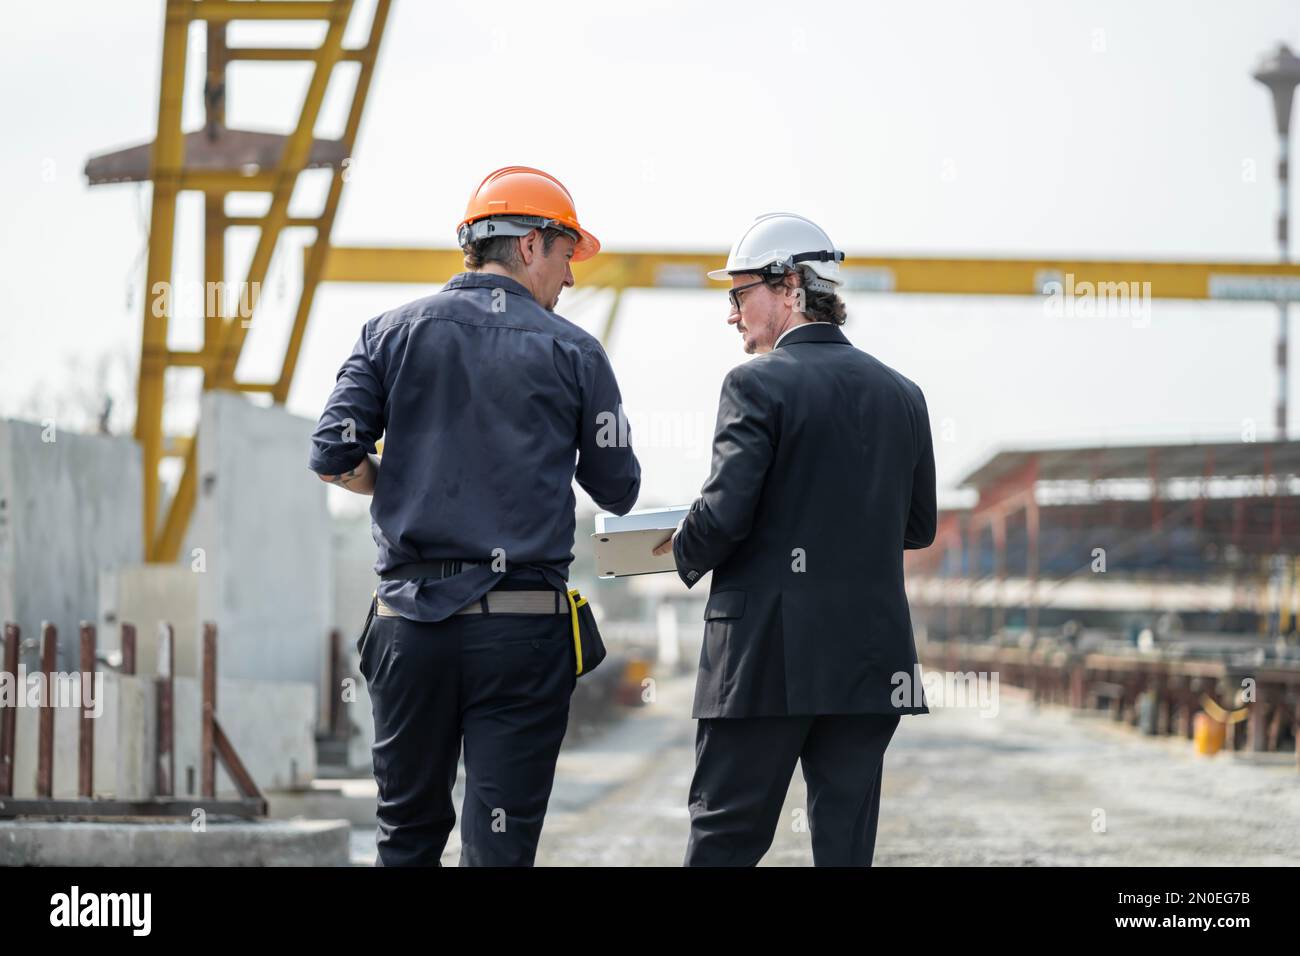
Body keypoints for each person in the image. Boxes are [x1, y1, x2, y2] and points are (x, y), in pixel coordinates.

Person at [310, 166, 641, 866]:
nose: (571, 278)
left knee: (405, 837)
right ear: (529, 244)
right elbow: (618, 488)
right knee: (499, 845)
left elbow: (332, 453)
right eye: (566, 255)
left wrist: (395, 482)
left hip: (409, 630)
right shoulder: (575, 351)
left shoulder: (388, 333)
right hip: (521, 636)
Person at [653, 212, 936, 866]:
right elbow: (918, 527)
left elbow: (724, 515)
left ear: (790, 288)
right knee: (845, 849)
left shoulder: (754, 384)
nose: (731, 313)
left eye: (739, 293)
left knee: (724, 840)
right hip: (869, 661)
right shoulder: (904, 394)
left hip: (763, 661)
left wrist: (677, 544)